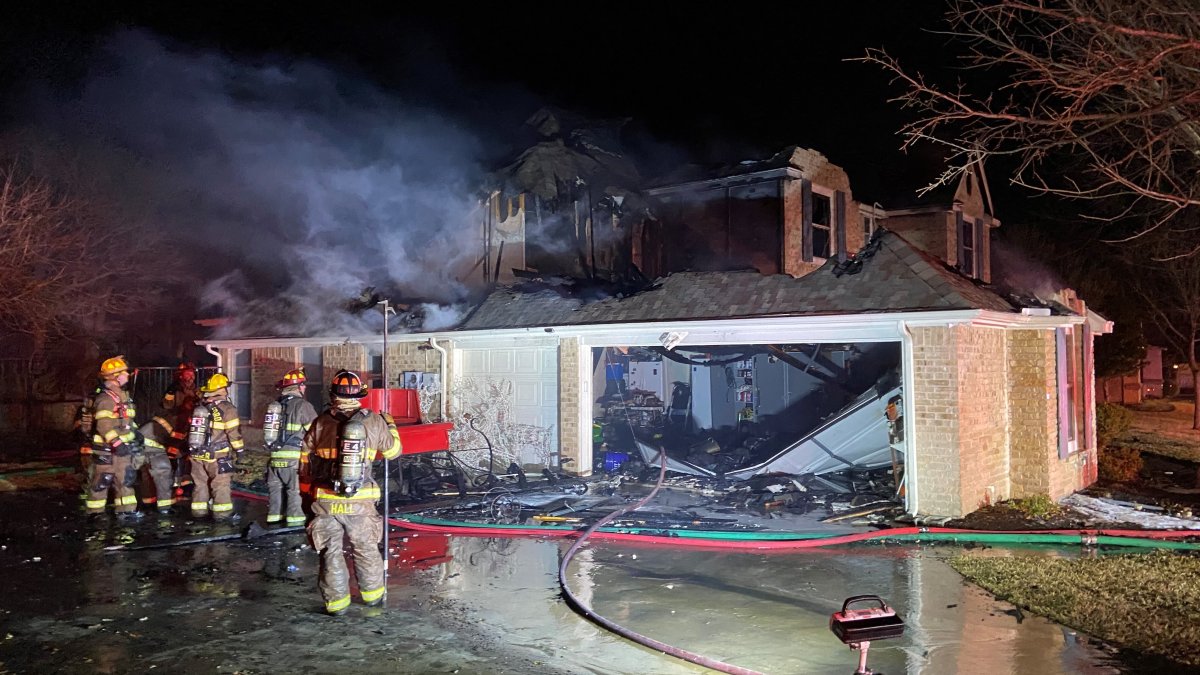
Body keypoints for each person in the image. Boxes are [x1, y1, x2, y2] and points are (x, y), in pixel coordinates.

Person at [300, 370, 401, 615]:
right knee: (365, 548)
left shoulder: (321, 421)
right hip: (361, 500)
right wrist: (390, 424)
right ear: (360, 395)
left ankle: (336, 605)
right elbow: (394, 452)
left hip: (325, 499)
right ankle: (373, 600)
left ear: (333, 395)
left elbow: (303, 457)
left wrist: (306, 494)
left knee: (330, 551)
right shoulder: (374, 421)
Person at [84, 356, 142, 521]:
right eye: (124, 373)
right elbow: (104, 426)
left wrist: (136, 434)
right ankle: (95, 514)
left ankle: (126, 512)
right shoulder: (106, 399)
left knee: (125, 481)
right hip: (109, 451)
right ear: (116, 376)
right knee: (102, 482)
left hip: (122, 450)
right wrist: (117, 443)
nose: (128, 376)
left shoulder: (123, 397)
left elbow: (126, 422)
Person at [264, 368, 317, 527]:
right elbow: (315, 432)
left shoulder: (276, 405)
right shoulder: (303, 405)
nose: (305, 387)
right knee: (293, 490)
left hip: (274, 458)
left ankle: (273, 519)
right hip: (292, 459)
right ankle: (295, 522)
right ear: (299, 387)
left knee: (275, 490)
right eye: (303, 384)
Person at [187, 372, 244, 521]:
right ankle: (222, 515)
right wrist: (240, 450)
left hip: (197, 453)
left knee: (200, 484)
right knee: (221, 484)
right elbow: (233, 433)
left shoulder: (200, 407)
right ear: (223, 390)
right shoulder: (228, 409)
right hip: (217, 455)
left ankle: (199, 513)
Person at [135, 411, 178, 515]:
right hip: (154, 451)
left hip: (140, 450)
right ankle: (165, 508)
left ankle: (148, 505)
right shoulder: (175, 421)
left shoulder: (159, 420)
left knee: (146, 478)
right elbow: (174, 440)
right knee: (163, 477)